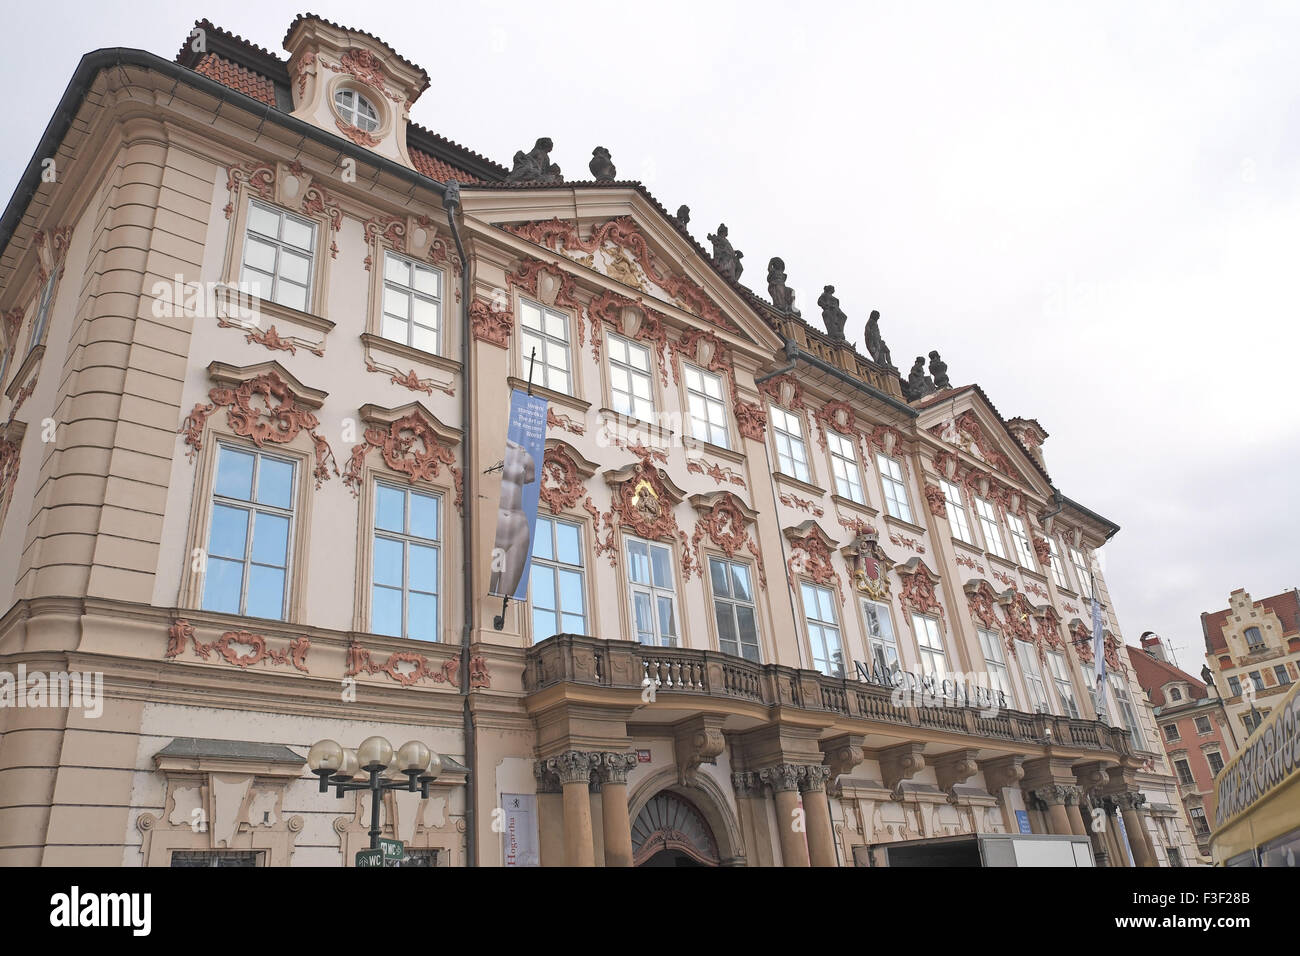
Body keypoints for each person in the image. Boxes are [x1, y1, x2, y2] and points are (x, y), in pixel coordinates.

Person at [489, 438, 536, 597]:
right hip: (494, 529)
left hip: (518, 529)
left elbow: (530, 477)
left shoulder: (525, 457)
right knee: (487, 590)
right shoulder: (490, 444)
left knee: (505, 598)